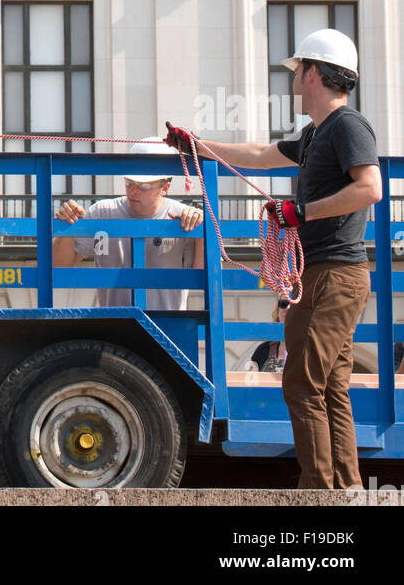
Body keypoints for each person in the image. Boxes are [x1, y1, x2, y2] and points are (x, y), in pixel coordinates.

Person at [166, 28, 382, 490]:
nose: (291, 81)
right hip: (328, 274)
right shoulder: (317, 133)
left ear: (314, 73)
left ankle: (320, 493)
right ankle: (345, 489)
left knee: (302, 384)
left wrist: (300, 211)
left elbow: (371, 188)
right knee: (330, 388)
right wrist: (198, 145)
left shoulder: (347, 126)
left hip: (331, 275)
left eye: (297, 71)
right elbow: (263, 156)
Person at [52, 138, 204, 309]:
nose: (133, 190)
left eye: (144, 186)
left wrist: (202, 231)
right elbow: (58, 267)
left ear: (165, 187)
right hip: (116, 326)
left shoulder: (182, 217)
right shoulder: (102, 212)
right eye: (129, 182)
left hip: (165, 326)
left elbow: (206, 276)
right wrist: (67, 226)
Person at [249, 299, 289, 372]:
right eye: (284, 303)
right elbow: (249, 381)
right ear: (278, 311)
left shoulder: (307, 350)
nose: (288, 307)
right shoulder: (262, 350)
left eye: (293, 303)